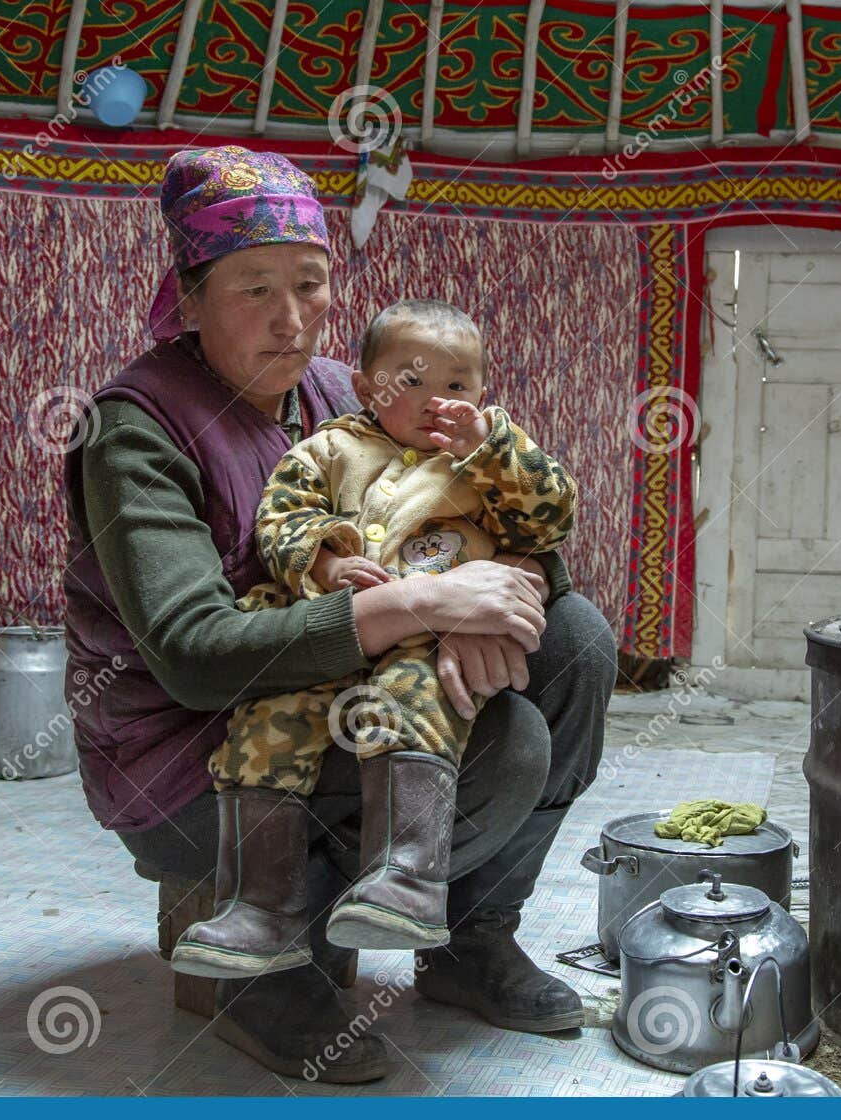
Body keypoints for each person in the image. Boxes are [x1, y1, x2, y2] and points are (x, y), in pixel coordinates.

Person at [60, 147, 615, 1084]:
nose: (291, 319)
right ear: (189, 300)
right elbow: (196, 656)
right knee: (504, 746)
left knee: (576, 644)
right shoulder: (137, 429)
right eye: (253, 290)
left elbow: (496, 511)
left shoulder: (344, 392)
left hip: (346, 688)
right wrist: (423, 601)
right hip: (190, 755)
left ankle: (470, 941)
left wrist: (496, 582)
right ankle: (265, 966)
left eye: (310, 286)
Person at [170, 298, 578, 977]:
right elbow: (281, 517)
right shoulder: (330, 447)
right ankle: (259, 910)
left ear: (482, 391)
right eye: (410, 381)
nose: (434, 402)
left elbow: (548, 518)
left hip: (426, 643)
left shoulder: (487, 458)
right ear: (366, 387)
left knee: (415, 708)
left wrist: (494, 449)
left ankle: (408, 880)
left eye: (456, 386)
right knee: (267, 727)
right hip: (325, 635)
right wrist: (325, 559)